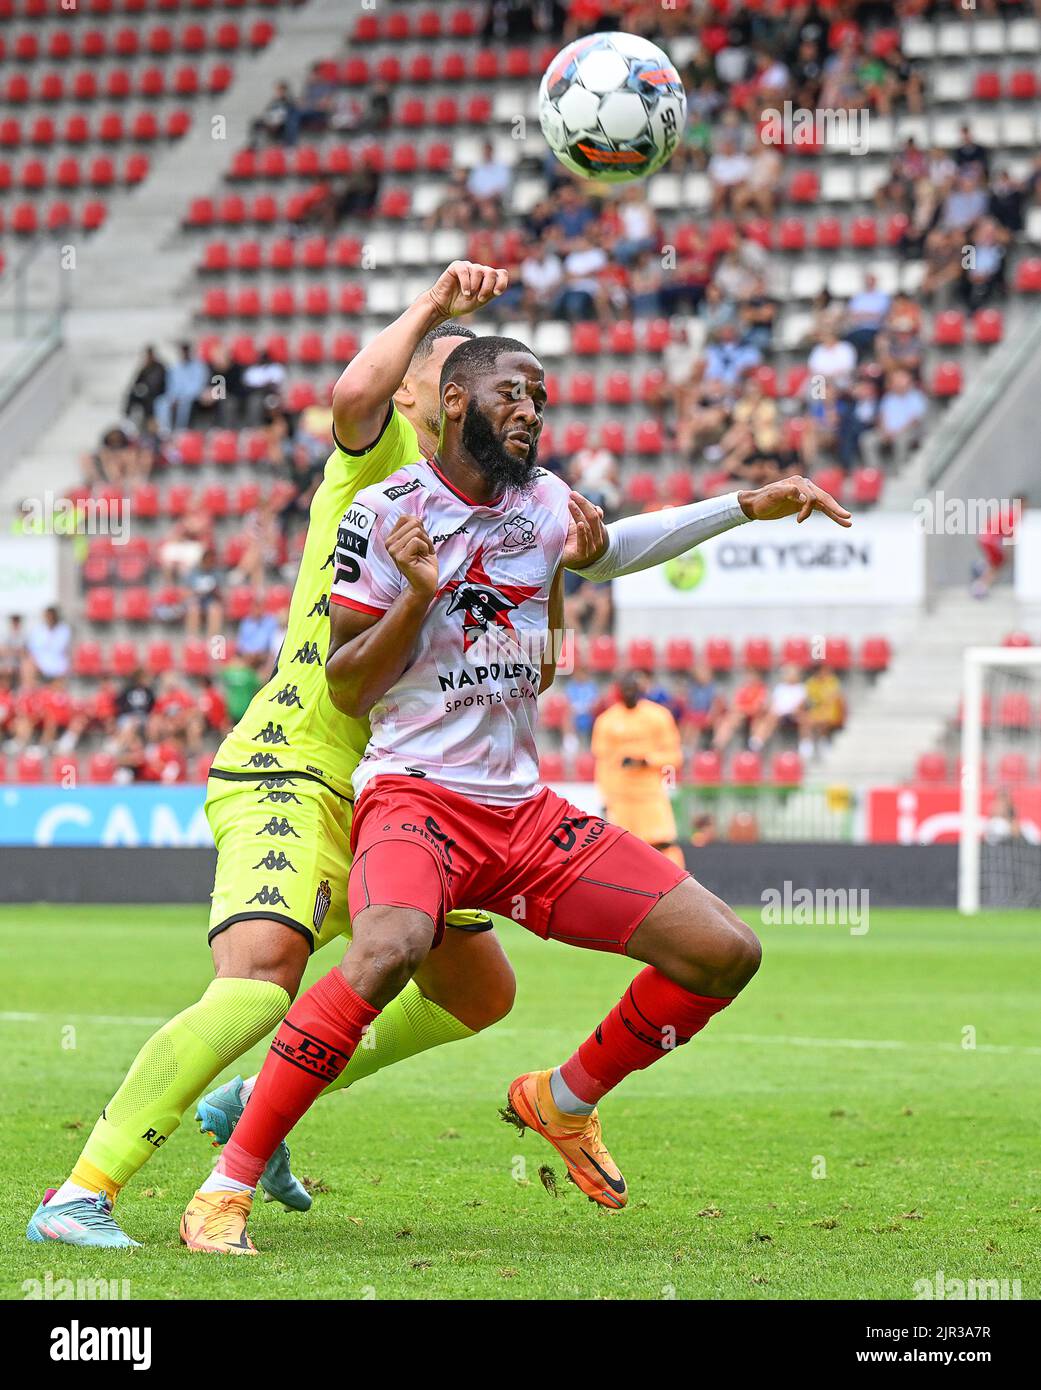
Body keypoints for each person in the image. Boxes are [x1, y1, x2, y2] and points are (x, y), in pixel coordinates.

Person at [31, 261, 829, 1250]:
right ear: (433, 398)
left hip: (482, 798)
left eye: (540, 393)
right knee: (263, 979)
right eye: (504, 387)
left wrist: (735, 507)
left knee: (483, 990)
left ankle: (289, 1103)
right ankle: (90, 1189)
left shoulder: (528, 501)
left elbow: (588, 577)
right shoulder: (379, 479)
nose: (532, 408)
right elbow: (350, 644)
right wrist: (437, 312)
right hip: (308, 764)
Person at [592, 672, 685, 867]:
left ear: (641, 690)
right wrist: (606, 798)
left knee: (664, 845)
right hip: (621, 797)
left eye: (633, 690)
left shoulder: (658, 716)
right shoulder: (606, 721)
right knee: (622, 851)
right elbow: (603, 764)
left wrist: (646, 761)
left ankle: (678, 890)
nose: (629, 694)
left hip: (650, 794)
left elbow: (674, 757)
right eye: (625, 691)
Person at [25, 606, 71, 683]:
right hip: (39, 665)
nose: (50, 618)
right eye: (48, 616)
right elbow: (31, 650)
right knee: (27, 666)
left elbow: (60, 649)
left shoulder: (64, 630)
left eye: (51, 616)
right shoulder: (38, 630)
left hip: (58, 665)